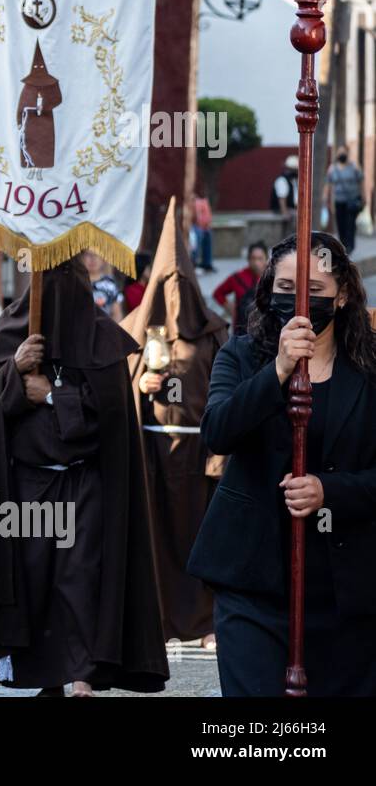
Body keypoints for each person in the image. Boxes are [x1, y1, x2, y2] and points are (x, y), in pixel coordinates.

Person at [0, 256, 168, 696]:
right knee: (31, 583)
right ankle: (45, 677)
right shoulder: (11, 335)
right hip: (26, 489)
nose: (58, 295)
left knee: (80, 581)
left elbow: (110, 421)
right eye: (47, 283)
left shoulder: (102, 342)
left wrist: (55, 395)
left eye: (66, 281)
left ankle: (82, 677)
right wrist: (15, 373)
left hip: (83, 486)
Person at [189, 231, 376, 696]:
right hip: (254, 581)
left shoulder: (370, 369)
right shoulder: (242, 355)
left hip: (346, 590)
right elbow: (217, 432)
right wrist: (276, 370)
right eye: (287, 289)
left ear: (344, 293)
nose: (300, 302)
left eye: (314, 292)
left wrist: (330, 491)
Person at [123, 200, 227, 647]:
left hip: (198, 453)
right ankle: (156, 619)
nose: (176, 293)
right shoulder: (133, 331)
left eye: (182, 284)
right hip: (151, 452)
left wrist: (220, 453)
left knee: (200, 537)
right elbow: (113, 390)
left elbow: (228, 395)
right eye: (167, 284)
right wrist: (139, 383)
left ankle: (203, 623)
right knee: (153, 538)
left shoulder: (215, 334)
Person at [213, 240, 268, 336]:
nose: (256, 262)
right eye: (253, 258)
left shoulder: (272, 278)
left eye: (260, 259)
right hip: (241, 331)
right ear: (248, 259)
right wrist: (231, 308)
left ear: (266, 260)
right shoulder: (238, 277)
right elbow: (218, 293)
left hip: (265, 332)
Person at [325, 150, 364, 253]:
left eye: (343, 152)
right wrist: (329, 201)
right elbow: (329, 186)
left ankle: (350, 246)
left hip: (352, 201)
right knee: (341, 224)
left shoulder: (354, 167)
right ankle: (343, 245)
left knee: (350, 224)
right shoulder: (332, 169)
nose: (342, 155)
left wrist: (363, 197)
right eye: (340, 152)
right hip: (339, 201)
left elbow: (361, 181)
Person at [189, 193, 214, 273]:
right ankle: (193, 262)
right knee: (197, 234)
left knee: (208, 234)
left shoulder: (202, 203)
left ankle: (207, 263)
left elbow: (207, 218)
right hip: (191, 226)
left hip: (200, 226)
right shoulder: (190, 204)